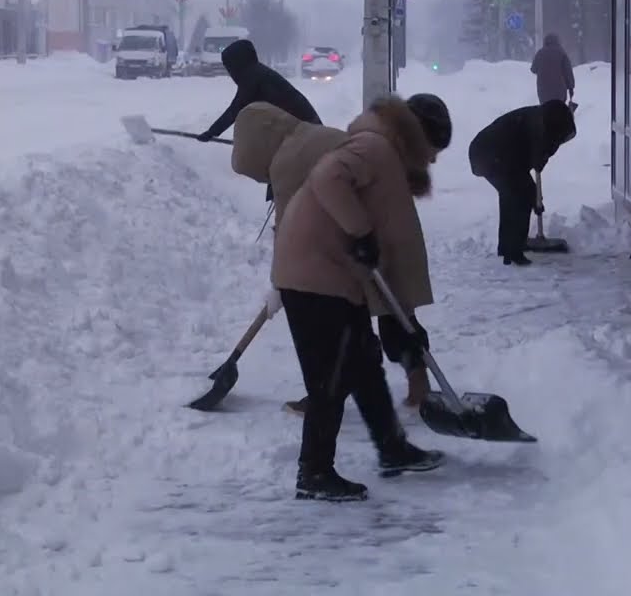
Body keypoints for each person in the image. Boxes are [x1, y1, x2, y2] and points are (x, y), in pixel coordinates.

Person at [270, 94, 447, 502]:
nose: (433, 161)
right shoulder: (374, 146)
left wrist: (405, 321)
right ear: (418, 136)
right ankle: (314, 472)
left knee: (364, 363)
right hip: (313, 274)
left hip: (332, 274)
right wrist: (360, 231)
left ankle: (392, 448)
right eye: (434, 149)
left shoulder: (382, 151)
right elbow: (327, 178)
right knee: (330, 377)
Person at [230, 94, 452, 414]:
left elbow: (290, 226)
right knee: (389, 310)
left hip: (360, 236)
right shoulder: (306, 139)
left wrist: (284, 278)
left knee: (339, 324)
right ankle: (407, 379)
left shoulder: (287, 160)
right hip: (363, 231)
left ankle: (332, 395)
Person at [468, 100, 577, 265]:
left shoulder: (540, 120)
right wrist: (535, 200)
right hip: (491, 156)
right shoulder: (537, 127)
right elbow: (535, 158)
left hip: (491, 153)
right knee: (521, 197)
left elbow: (539, 155)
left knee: (511, 194)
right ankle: (514, 250)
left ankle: (507, 246)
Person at [196, 38, 321, 141]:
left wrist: (211, 132)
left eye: (229, 66)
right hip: (306, 126)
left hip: (307, 130)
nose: (230, 72)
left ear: (237, 63)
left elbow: (236, 109)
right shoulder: (258, 72)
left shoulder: (253, 77)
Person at [530, 33, 575, 106]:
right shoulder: (561, 53)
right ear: (558, 41)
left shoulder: (540, 53)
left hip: (543, 90)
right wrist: (571, 88)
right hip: (559, 90)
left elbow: (533, 69)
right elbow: (568, 72)